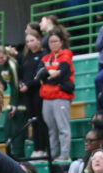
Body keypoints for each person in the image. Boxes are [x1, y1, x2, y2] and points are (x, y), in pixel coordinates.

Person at [37, 30, 74, 161]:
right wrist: (51, 75)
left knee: (63, 128)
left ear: (62, 42)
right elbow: (39, 75)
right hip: (47, 98)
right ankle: (52, 155)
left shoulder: (66, 55)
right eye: (50, 41)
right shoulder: (45, 58)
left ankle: (64, 154)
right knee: (51, 130)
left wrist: (48, 76)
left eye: (55, 41)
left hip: (61, 97)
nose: (53, 44)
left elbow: (62, 74)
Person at [18, 30, 46, 157]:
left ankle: (42, 148)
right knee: (33, 120)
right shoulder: (25, 56)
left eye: (32, 40)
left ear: (38, 40)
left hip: (38, 91)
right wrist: (21, 83)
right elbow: (21, 73)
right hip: (27, 92)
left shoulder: (43, 54)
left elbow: (41, 76)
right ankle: (36, 148)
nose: (29, 43)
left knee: (40, 120)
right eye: (28, 41)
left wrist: (28, 85)